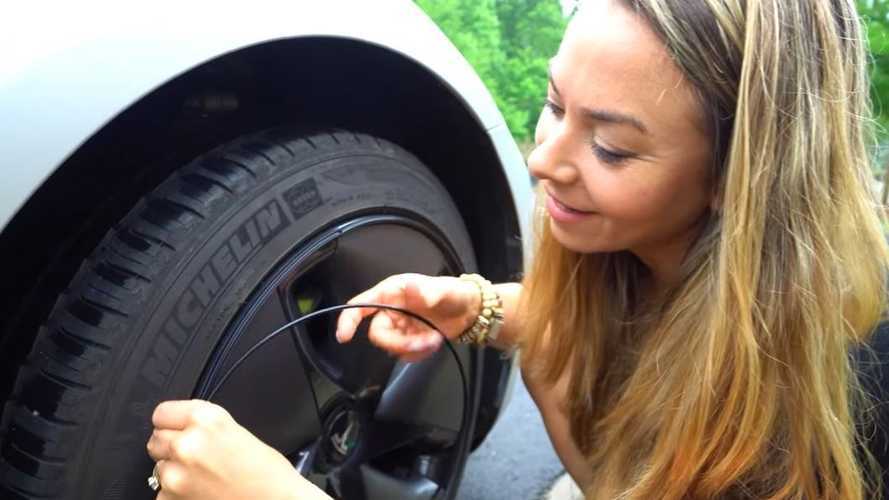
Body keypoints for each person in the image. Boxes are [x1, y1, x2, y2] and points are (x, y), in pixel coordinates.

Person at [144, 0, 889, 498]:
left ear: (738, 178)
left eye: (611, 147)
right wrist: (476, 305)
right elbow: (635, 320)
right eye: (554, 104)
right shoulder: (648, 253)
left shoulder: (835, 400)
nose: (543, 160)